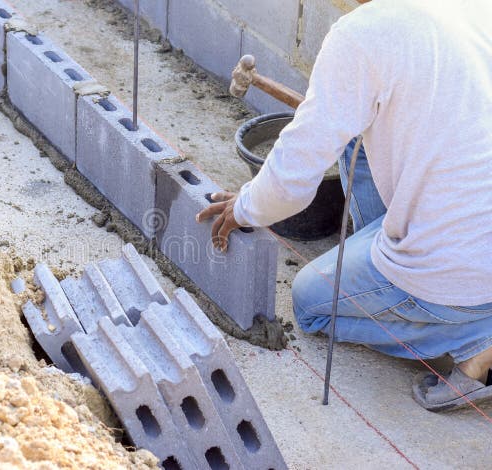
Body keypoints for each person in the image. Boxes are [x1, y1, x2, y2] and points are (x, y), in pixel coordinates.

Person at [196, 0, 492, 412]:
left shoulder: (362, 34)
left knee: (310, 304)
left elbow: (290, 183)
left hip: (466, 272)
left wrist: (245, 206)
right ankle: (398, 264)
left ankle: (475, 338)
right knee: (357, 137)